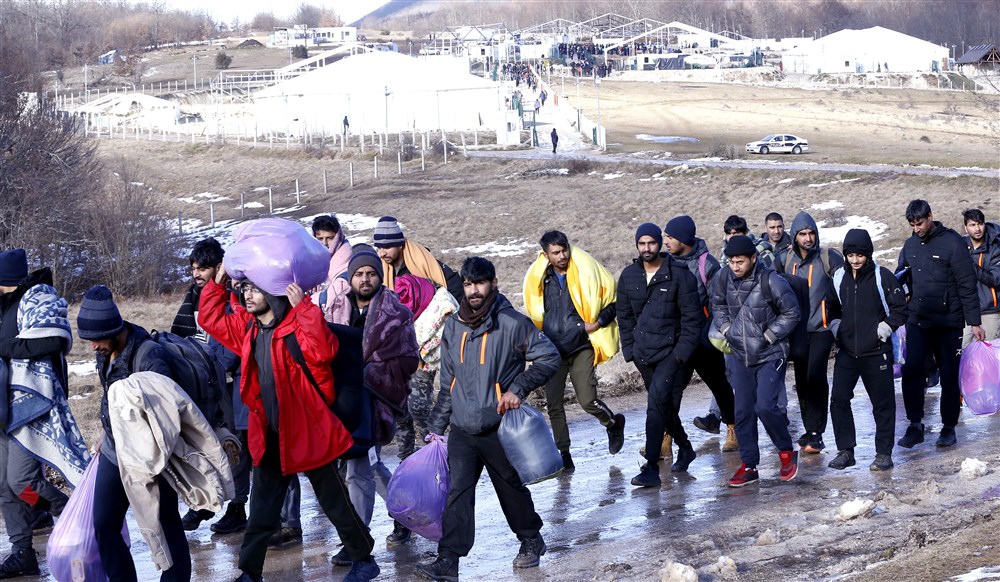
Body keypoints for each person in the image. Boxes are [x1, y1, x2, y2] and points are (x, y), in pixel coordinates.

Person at [198, 266, 379, 582]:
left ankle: (364, 560)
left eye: (255, 289)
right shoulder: (249, 328)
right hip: (270, 434)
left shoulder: (297, 324)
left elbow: (324, 350)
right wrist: (218, 281)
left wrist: (304, 308)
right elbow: (210, 319)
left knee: (335, 504)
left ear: (273, 293)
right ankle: (250, 573)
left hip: (308, 431)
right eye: (245, 288)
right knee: (262, 510)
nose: (247, 295)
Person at [416, 257, 560, 580]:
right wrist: (436, 426)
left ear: (493, 283)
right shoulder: (453, 327)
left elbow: (549, 356)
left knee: (510, 488)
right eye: (468, 284)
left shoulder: (511, 323)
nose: (473, 290)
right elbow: (448, 383)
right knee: (457, 494)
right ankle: (448, 560)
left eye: (480, 283)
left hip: (498, 425)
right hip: (462, 429)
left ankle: (531, 539)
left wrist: (518, 389)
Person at [78, 285, 192, 581]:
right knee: (103, 523)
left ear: (114, 330)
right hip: (115, 451)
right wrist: (106, 432)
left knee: (165, 526)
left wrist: (150, 461)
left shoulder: (150, 357)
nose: (93, 347)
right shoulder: (105, 353)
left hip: (151, 456)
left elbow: (166, 416)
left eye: (96, 339)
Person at [331, 245, 419, 565]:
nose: (365, 279)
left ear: (379, 277)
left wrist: (371, 374)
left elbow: (409, 358)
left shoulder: (396, 314)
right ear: (350, 277)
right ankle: (406, 513)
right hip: (340, 402)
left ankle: (357, 540)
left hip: (374, 401)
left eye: (371, 273)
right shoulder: (335, 309)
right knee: (366, 466)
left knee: (358, 470)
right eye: (359, 274)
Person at [0, 250, 77, 578]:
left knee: (21, 481)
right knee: (6, 486)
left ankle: (68, 511)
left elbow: (53, 341)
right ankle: (22, 552)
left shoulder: (35, 299)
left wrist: (5, 347)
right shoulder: (3, 306)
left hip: (29, 408)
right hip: (3, 409)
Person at [522, 231, 625, 472]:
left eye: (564, 250)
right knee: (554, 405)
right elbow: (534, 311)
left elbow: (613, 301)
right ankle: (564, 454)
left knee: (587, 400)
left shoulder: (586, 273)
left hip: (581, 347)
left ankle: (612, 424)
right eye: (555, 253)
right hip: (552, 352)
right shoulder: (540, 280)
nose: (562, 256)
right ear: (546, 255)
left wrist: (597, 323)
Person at [170, 237, 248, 535]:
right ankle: (204, 503)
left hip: (227, 381)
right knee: (205, 444)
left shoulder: (233, 296)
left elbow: (233, 343)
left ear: (219, 268)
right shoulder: (193, 298)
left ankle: (237, 507)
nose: (196, 274)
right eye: (193, 268)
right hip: (203, 383)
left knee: (234, 447)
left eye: (202, 268)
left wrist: (213, 367)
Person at [617, 223, 704, 487]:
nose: (647, 248)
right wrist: (631, 351)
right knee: (663, 406)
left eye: (651, 243)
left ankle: (651, 467)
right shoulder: (629, 276)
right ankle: (686, 448)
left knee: (655, 404)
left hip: (670, 354)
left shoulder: (680, 275)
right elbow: (625, 317)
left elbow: (692, 320)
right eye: (641, 243)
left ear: (659, 244)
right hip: (643, 354)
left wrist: (679, 355)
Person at [710, 236, 800, 487]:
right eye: (731, 261)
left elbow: (792, 312)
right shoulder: (723, 277)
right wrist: (726, 329)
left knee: (766, 406)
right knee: (742, 412)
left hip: (771, 353)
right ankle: (749, 465)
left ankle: (786, 452)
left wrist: (769, 336)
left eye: (740, 261)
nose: (735, 266)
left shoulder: (771, 280)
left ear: (753, 258)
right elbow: (717, 305)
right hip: (740, 355)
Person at [372, 216, 463, 460]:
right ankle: (406, 458)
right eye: (378, 247)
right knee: (399, 403)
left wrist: (439, 320)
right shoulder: (383, 270)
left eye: (387, 247)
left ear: (400, 244)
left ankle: (435, 451)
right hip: (398, 346)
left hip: (427, 345)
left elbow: (454, 290)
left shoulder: (424, 262)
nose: (382, 253)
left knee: (418, 405)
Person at [896, 200, 983, 449]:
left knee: (948, 376)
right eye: (912, 225)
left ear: (930, 217)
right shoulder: (910, 245)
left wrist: (974, 322)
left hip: (948, 323)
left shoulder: (952, 243)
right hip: (918, 321)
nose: (917, 229)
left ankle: (948, 427)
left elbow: (967, 283)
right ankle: (915, 425)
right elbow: (901, 276)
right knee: (912, 371)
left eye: (920, 224)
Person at [827, 229, 907, 471]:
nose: (855, 260)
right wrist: (837, 329)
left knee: (882, 404)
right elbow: (831, 308)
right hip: (847, 352)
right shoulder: (839, 277)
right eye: (850, 255)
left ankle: (883, 454)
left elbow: (900, 309)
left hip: (876, 351)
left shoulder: (882, 277)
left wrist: (885, 328)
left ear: (868, 254)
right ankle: (846, 451)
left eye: (860, 255)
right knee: (839, 399)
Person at [663, 216, 738, 453]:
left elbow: (718, 302)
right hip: (678, 341)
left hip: (704, 341)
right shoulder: (666, 263)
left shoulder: (708, 264)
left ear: (683, 239)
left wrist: (708, 335)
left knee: (720, 386)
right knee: (672, 391)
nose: (665, 241)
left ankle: (733, 429)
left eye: (670, 237)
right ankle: (665, 439)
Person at [696, 215, 774, 433]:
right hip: (733, 329)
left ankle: (777, 416)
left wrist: (769, 333)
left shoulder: (761, 253)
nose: (732, 237)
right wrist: (725, 327)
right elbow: (719, 298)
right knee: (730, 372)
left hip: (760, 328)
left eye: (736, 233)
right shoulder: (724, 257)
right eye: (729, 233)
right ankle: (718, 416)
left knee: (767, 377)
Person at [775, 211, 844, 454]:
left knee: (816, 377)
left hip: (822, 328)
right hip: (796, 330)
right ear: (794, 236)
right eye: (803, 234)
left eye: (811, 233)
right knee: (802, 381)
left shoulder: (828, 257)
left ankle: (817, 433)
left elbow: (845, 285)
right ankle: (810, 429)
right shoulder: (783, 260)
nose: (808, 238)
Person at [962, 209, 1000, 347]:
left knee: (989, 353)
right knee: (962, 352)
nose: (977, 229)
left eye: (980, 224)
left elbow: (995, 279)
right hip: (965, 312)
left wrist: (969, 264)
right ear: (966, 227)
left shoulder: (996, 248)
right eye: (972, 225)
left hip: (989, 311)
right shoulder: (960, 247)